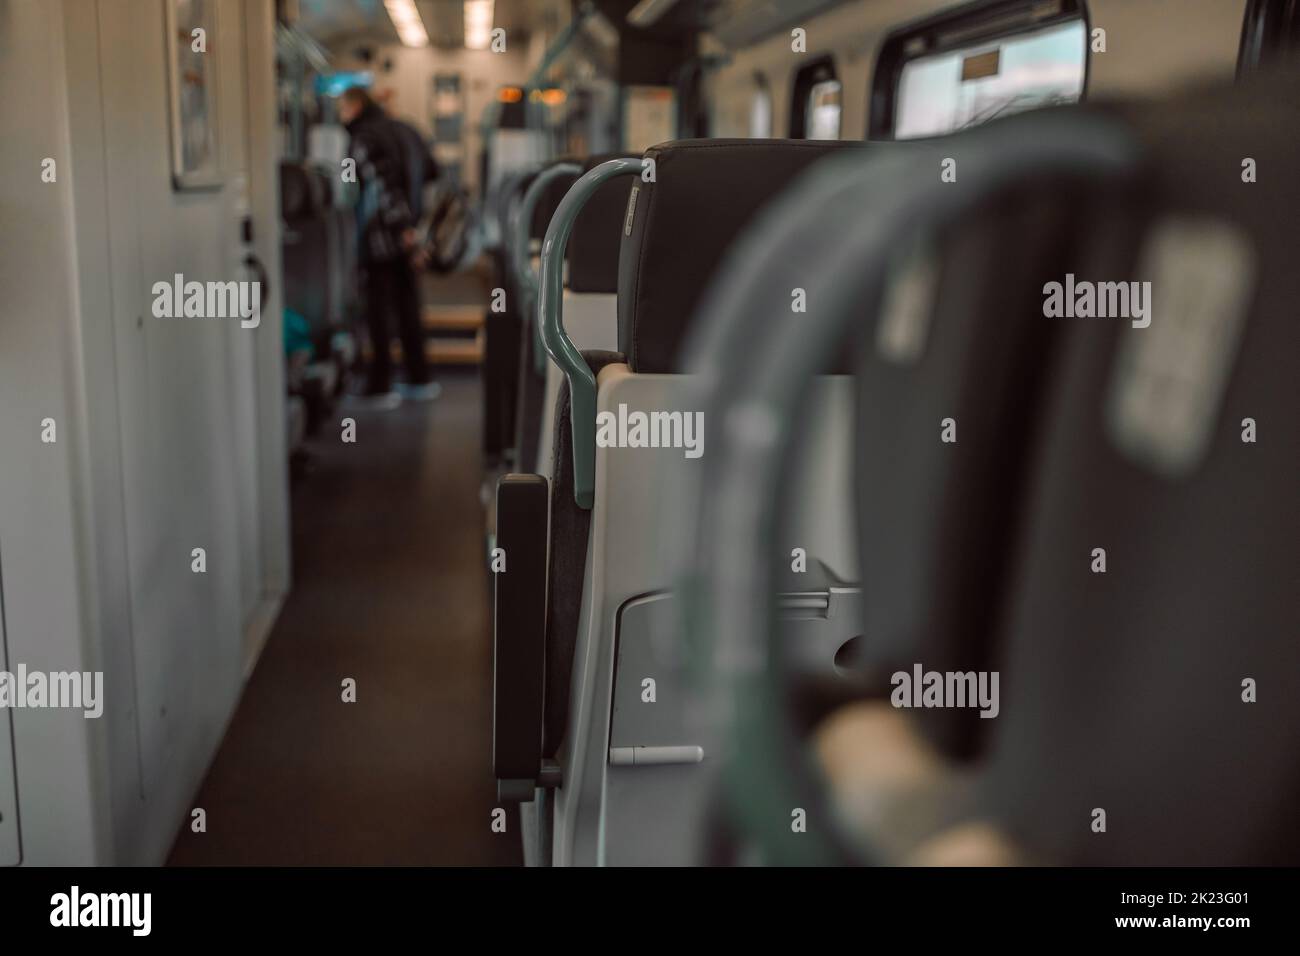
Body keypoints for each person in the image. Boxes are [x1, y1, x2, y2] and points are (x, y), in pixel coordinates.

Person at [338, 86, 439, 403]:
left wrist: (402, 227)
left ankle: (380, 384)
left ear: (355, 105)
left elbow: (382, 185)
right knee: (408, 304)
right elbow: (432, 174)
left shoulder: (365, 137)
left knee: (378, 309)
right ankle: (418, 377)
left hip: (383, 237)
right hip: (408, 233)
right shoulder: (407, 130)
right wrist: (417, 228)